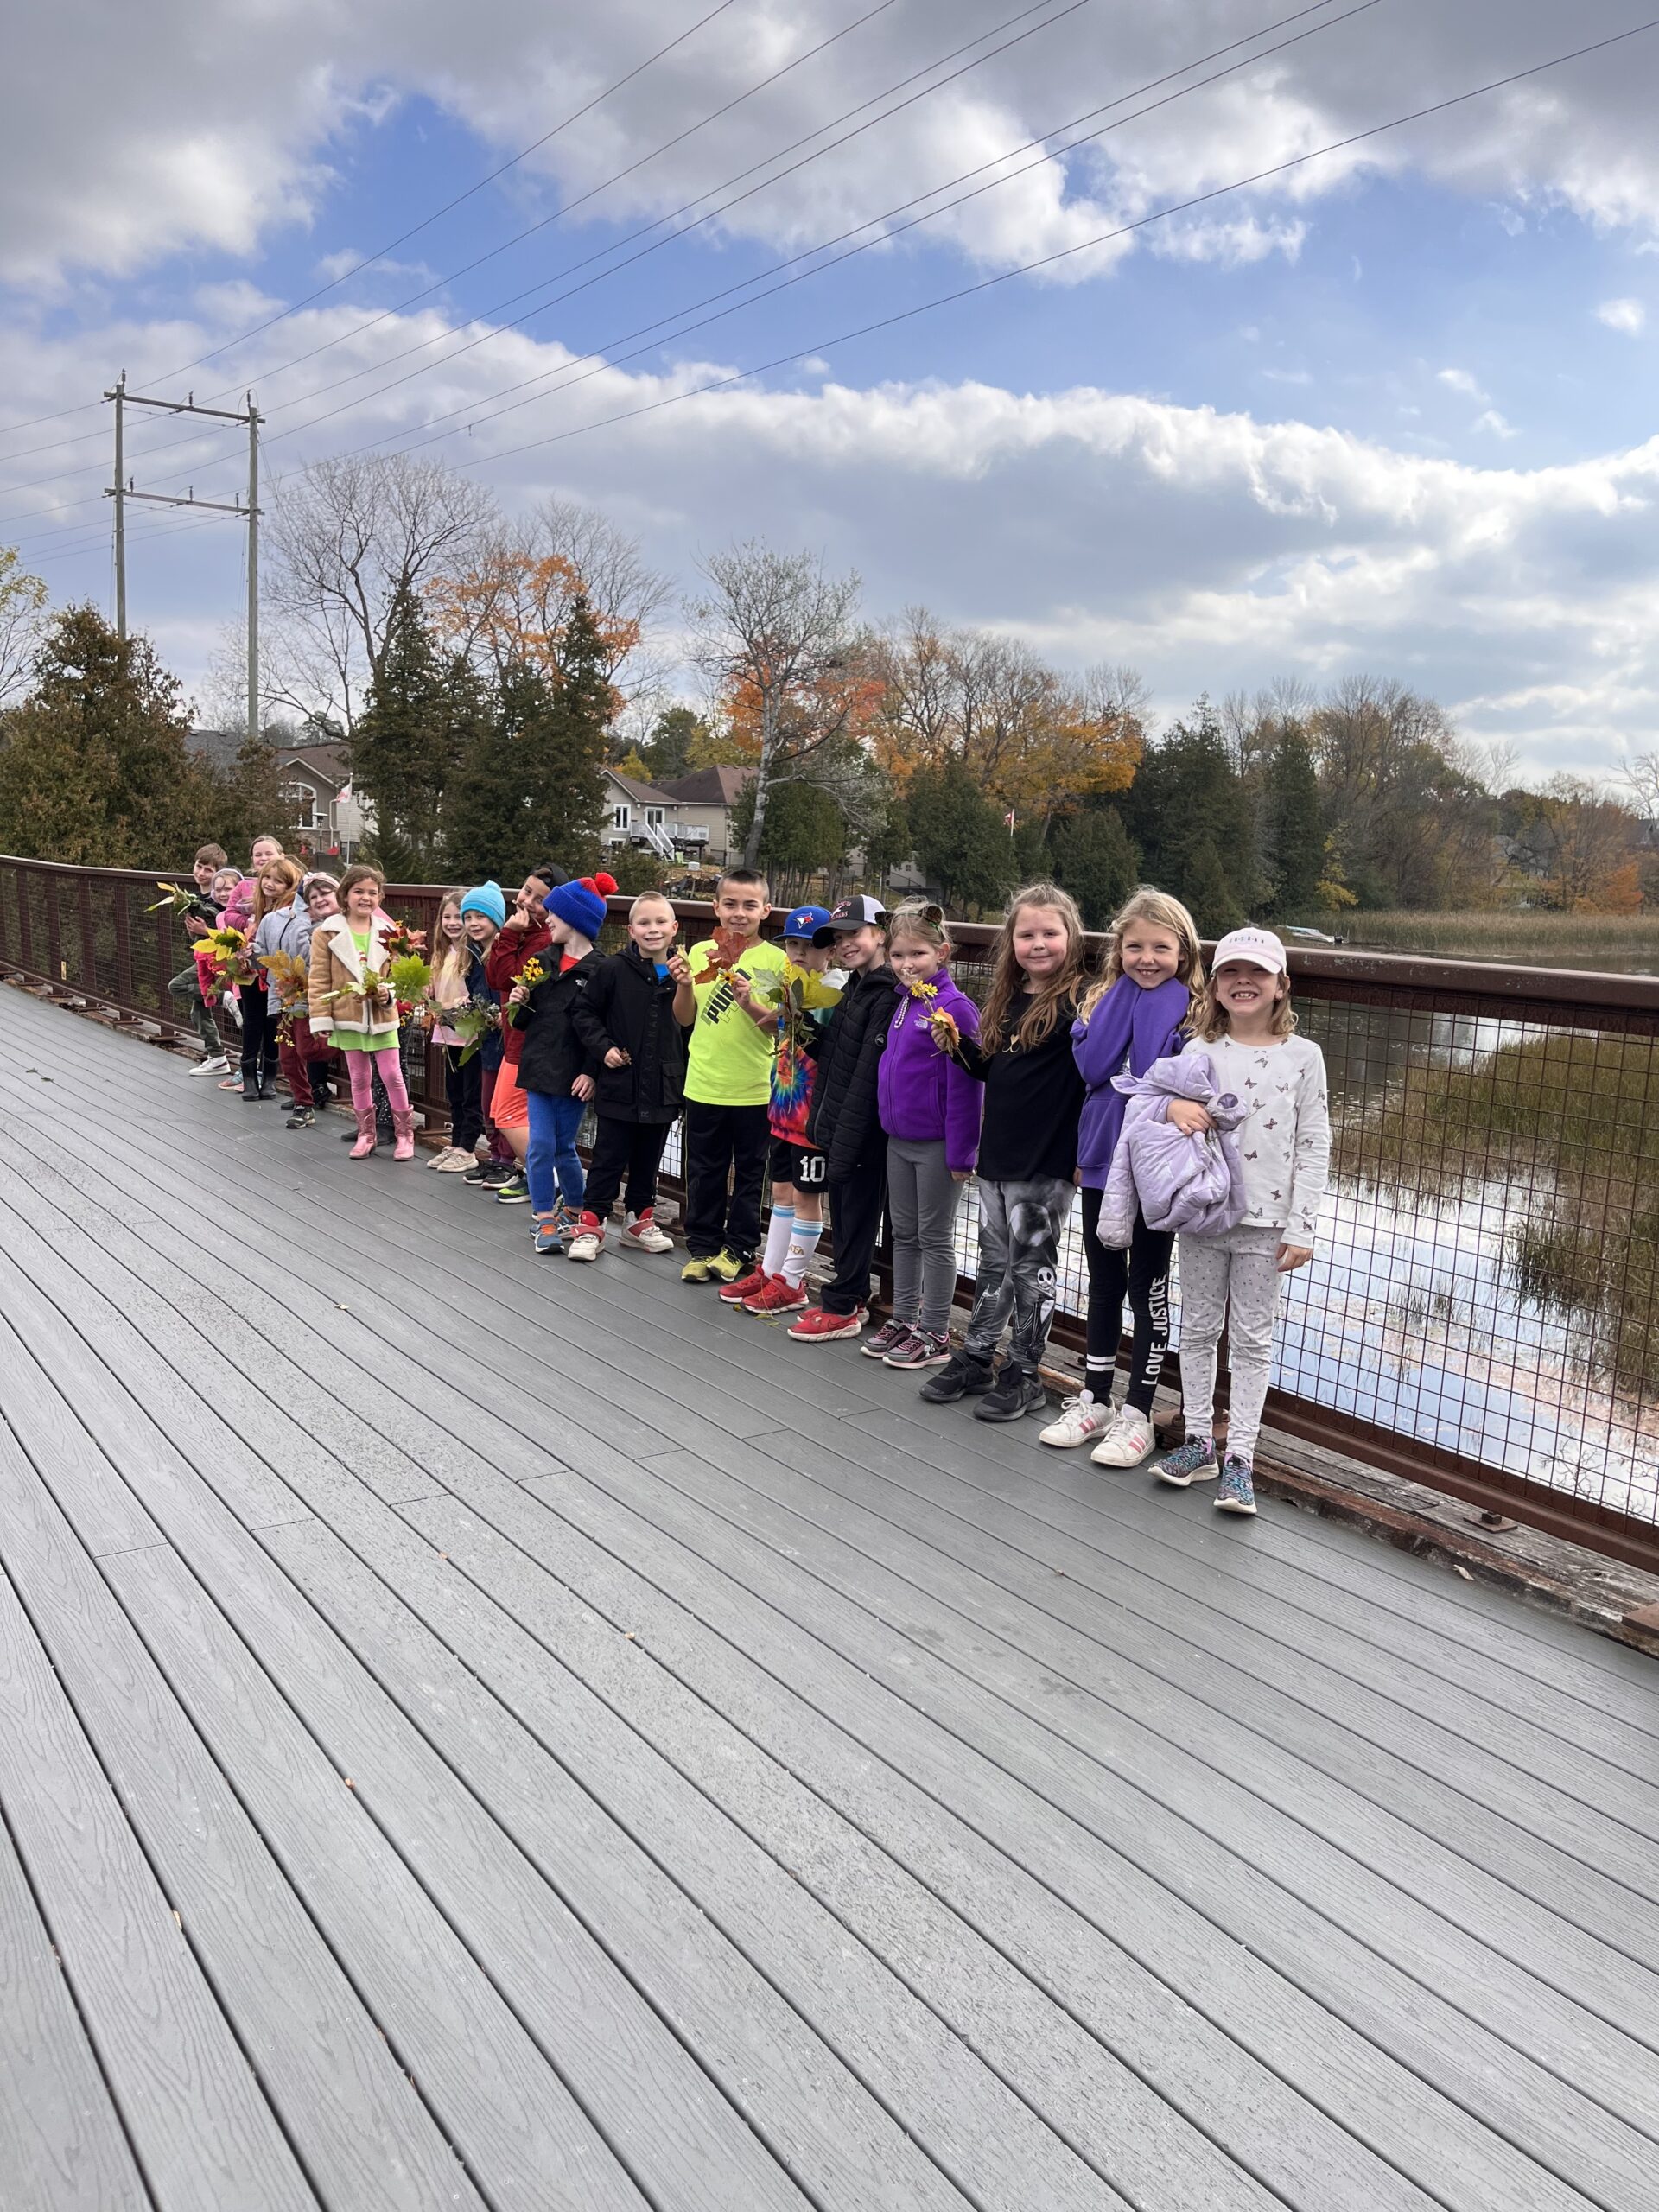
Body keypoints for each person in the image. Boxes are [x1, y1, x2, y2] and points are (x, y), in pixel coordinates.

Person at [1154, 927, 1330, 1516]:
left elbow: (1314, 1143)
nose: (1244, 982)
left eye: (1258, 973)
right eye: (1230, 972)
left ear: (1281, 985)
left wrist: (1302, 1225)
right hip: (1204, 1214)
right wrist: (1172, 1105)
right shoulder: (1197, 1050)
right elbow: (1151, 1103)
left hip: (1266, 1223)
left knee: (1253, 1339)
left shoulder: (1304, 1057)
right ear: (1215, 985)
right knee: (1198, 1328)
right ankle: (1198, 1440)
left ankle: (1242, 1457)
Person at [1040, 889, 1204, 1461]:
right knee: (1104, 1280)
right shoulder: (1102, 999)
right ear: (1118, 949)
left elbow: (1170, 1080)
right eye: (1134, 947)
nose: (1147, 958)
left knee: (1147, 1284)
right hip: (1099, 1158)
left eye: (1161, 948)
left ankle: (1139, 1411)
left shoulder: (1195, 1010)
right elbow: (1093, 1067)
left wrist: (1156, 1003)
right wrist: (1127, 997)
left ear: (1183, 952)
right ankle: (1096, 1397)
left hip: (1157, 1167)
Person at [920, 883, 1088, 1421]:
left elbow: (1096, 1078)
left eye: (1050, 933)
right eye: (1026, 934)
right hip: (998, 1152)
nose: (1038, 944)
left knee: (1033, 1267)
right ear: (1010, 941)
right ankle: (977, 1355)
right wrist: (956, 1047)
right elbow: (994, 1068)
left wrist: (1086, 1154)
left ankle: (1026, 1370)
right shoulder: (1009, 998)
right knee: (993, 1261)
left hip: (1045, 1158)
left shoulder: (1084, 1001)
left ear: (1071, 936)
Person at [865, 901, 981, 1368]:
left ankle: (935, 1330)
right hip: (898, 1139)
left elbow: (968, 1085)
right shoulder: (905, 1002)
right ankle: (904, 1318)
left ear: (942, 953)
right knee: (904, 1233)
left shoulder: (954, 1009)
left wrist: (962, 1153)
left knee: (934, 1236)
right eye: (897, 955)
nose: (906, 964)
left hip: (936, 1144)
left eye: (918, 954)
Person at [719, 905, 840, 1314]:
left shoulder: (835, 993)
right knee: (782, 1193)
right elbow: (780, 1026)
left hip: (812, 1116)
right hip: (784, 1106)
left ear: (831, 950)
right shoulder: (791, 986)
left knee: (807, 1198)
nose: (800, 953)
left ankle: (793, 1281)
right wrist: (750, 1004)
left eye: (811, 945)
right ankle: (771, 1271)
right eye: (792, 944)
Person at [786, 895, 895, 1343]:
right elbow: (836, 1056)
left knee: (857, 1216)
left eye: (855, 933)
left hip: (863, 1132)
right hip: (841, 1126)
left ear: (880, 934)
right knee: (847, 1216)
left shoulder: (885, 994)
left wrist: (844, 1137)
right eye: (839, 937)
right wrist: (800, 1026)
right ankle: (847, 1296)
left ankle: (846, 1304)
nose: (846, 944)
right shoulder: (855, 988)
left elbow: (867, 1077)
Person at [565, 890, 696, 1261]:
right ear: (631, 930)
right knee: (608, 1156)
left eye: (660, 922)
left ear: (674, 928)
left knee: (649, 1158)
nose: (653, 929)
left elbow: (691, 1028)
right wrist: (603, 1048)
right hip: (619, 1082)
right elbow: (583, 1012)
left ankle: (639, 1219)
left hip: (664, 1085)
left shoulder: (684, 974)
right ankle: (592, 1223)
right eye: (644, 922)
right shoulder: (612, 969)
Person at [678, 869, 789, 1284]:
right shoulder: (700, 951)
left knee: (750, 1172)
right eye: (730, 904)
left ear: (765, 910)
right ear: (716, 907)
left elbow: (781, 1027)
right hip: (704, 1081)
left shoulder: (777, 961)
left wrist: (747, 1002)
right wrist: (683, 985)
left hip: (754, 1087)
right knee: (703, 1169)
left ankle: (740, 1247)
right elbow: (684, 1018)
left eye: (749, 905)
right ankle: (702, 1247)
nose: (739, 913)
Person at [509, 874, 613, 1255]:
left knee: (564, 1146)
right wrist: (520, 1002)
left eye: (554, 913)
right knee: (540, 1144)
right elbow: (522, 1023)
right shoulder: (540, 961)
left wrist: (592, 1071)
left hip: (575, 1074)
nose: (547, 919)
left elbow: (605, 1029)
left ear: (576, 919)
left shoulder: (603, 970)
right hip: (539, 1067)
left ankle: (574, 1208)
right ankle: (543, 1218)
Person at [307, 862, 417, 1160]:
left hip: (382, 1016)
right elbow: (319, 978)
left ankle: (405, 1135)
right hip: (349, 1015)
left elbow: (398, 975)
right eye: (358, 891)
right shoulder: (326, 933)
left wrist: (387, 993)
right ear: (345, 895)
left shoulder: (390, 933)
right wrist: (321, 1017)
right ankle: (366, 1134)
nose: (365, 898)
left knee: (392, 1074)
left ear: (380, 897)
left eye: (372, 892)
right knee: (358, 1077)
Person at [482, 863, 563, 1205]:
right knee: (519, 1115)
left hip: (526, 1043)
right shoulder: (528, 932)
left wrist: (509, 933)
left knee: (506, 1114)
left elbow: (505, 978)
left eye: (539, 899)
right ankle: (534, 1174)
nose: (527, 901)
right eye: (527, 891)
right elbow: (494, 978)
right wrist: (511, 934)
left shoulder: (541, 940)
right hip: (516, 1040)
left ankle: (552, 1181)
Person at [429, 882, 505, 1174]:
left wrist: (455, 1010)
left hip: (470, 1033)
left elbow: (475, 994)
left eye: (458, 917)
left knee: (472, 1093)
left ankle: (469, 1146)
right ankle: (457, 1141)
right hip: (448, 1031)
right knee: (455, 1091)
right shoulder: (442, 953)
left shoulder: (471, 954)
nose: (453, 923)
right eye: (447, 917)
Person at [248, 857, 323, 1127]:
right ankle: (303, 1103)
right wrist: (249, 954)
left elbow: (312, 957)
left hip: (309, 994)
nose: (316, 901)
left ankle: (316, 1091)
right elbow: (262, 959)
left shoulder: (321, 923)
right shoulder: (270, 920)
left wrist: (304, 920)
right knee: (288, 1055)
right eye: (311, 895)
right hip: (281, 994)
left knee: (308, 1048)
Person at [237, 855, 302, 1102]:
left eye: (278, 881)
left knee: (273, 1022)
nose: (270, 884)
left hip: (277, 974)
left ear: (289, 886)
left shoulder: (290, 912)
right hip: (254, 972)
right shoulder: (258, 907)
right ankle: (249, 1076)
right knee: (253, 1021)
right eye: (267, 878)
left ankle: (270, 1076)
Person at [169, 842, 231, 1069]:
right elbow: (195, 936)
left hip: (218, 959)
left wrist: (204, 931)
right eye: (199, 867)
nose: (202, 873)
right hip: (202, 957)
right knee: (199, 1010)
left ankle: (224, 997)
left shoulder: (219, 900)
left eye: (208, 870)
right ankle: (217, 1057)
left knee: (176, 986)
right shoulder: (195, 899)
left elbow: (227, 933)